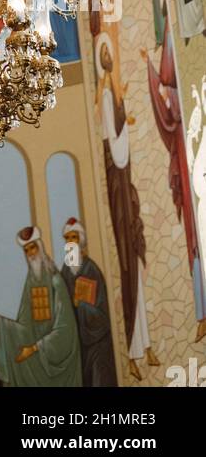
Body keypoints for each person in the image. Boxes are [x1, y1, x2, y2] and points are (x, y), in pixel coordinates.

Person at [95, 36, 160, 379]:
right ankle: (136, 350)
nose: (108, 56)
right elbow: (116, 150)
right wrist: (126, 135)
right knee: (128, 266)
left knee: (133, 263)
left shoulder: (111, 93)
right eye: (104, 53)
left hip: (124, 183)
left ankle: (143, 346)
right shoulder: (106, 96)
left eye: (109, 52)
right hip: (119, 185)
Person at [142, 34, 206, 341]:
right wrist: (154, 78)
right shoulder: (180, 132)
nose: (168, 98)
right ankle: (202, 312)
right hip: (186, 158)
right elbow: (166, 107)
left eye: (170, 93)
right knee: (194, 237)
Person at [0, 226, 82, 386]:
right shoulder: (31, 281)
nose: (30, 253)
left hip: (56, 355)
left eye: (33, 247)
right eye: (26, 250)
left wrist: (35, 348)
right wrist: (0, 323)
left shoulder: (55, 280)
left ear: (40, 247)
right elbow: (25, 325)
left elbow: (65, 328)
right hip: (39, 353)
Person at [60, 218, 118, 385]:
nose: (70, 242)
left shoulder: (91, 269)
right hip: (78, 343)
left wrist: (82, 305)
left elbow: (102, 312)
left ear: (81, 240)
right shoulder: (65, 270)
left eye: (74, 238)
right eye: (67, 238)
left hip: (97, 343)